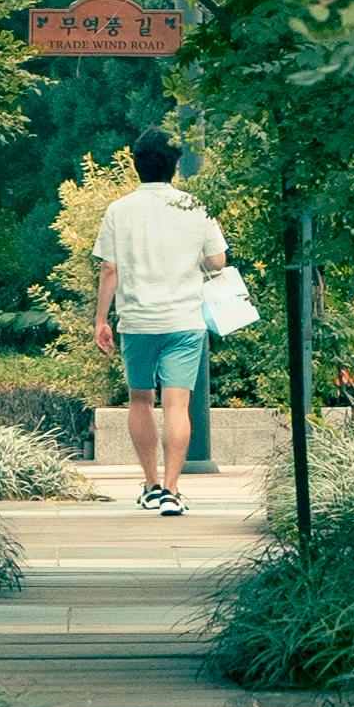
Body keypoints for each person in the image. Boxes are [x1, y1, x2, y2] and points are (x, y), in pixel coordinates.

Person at [91, 133, 228, 514]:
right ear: (175, 164)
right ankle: (171, 491)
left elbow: (108, 268)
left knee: (140, 399)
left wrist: (101, 319)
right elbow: (217, 262)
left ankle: (150, 485)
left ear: (137, 163)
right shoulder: (196, 207)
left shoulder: (120, 210)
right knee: (176, 405)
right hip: (185, 321)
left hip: (136, 321)